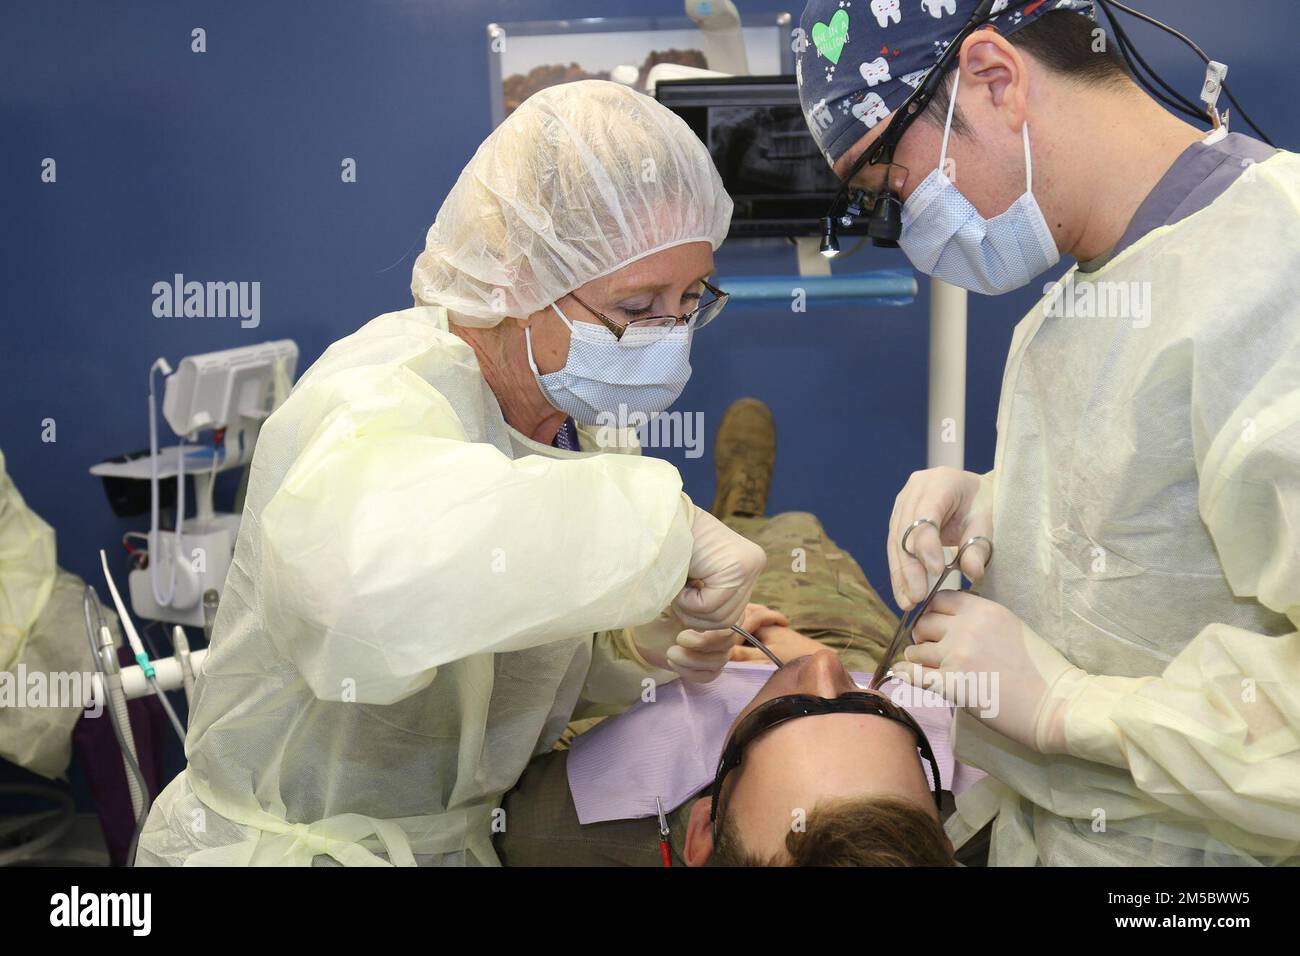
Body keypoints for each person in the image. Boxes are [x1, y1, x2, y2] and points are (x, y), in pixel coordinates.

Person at [135, 80, 768, 867]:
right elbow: (363, 593)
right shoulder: (375, 389)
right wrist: (658, 531)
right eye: (636, 305)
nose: (669, 338)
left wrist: (647, 636)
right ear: (516, 280)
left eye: (691, 299)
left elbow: (507, 655)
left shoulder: (589, 435)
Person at [796, 0, 1300, 865]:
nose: (899, 231)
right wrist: (1004, 510)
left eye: (890, 185)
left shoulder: (1273, 274)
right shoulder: (1076, 302)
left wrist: (1072, 705)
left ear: (994, 79)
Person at [496, 400, 974, 866]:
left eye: (783, 714)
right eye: (870, 703)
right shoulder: (994, 812)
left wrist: (629, 652)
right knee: (799, 541)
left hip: (673, 689)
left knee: (753, 568)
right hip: (858, 643)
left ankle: (739, 518)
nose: (824, 664)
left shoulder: (548, 830)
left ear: (703, 830)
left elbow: (512, 715)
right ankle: (749, 517)